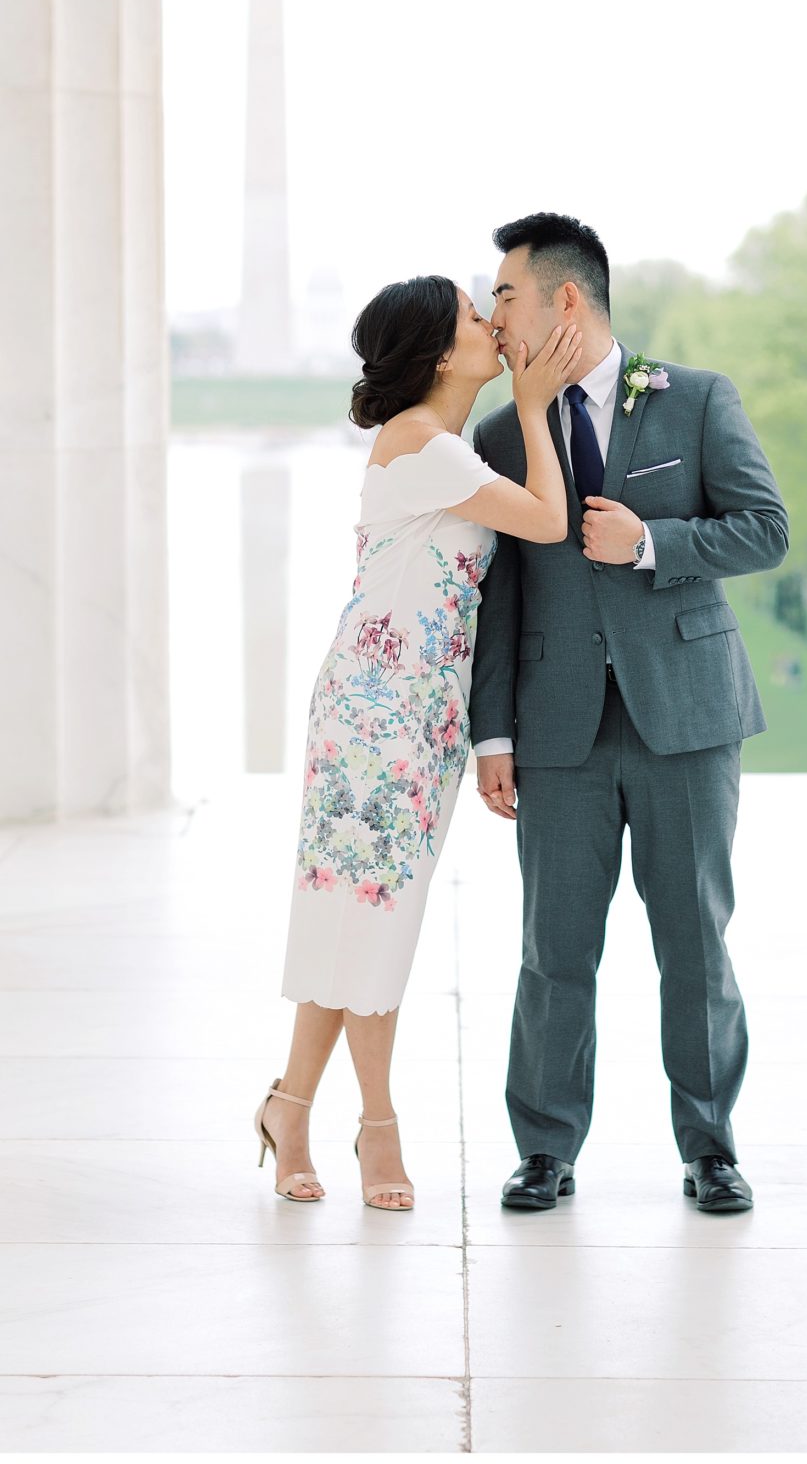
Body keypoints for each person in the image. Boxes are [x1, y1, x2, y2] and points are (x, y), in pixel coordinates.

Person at [469, 212, 789, 1213]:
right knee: (552, 949)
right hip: (555, 727)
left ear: (565, 298)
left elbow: (763, 528)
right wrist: (492, 733)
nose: (493, 315)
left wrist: (651, 541)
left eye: (505, 294)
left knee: (693, 942)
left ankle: (710, 1147)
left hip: (684, 718)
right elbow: (495, 595)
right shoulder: (497, 435)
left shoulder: (694, 399)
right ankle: (543, 1148)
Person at [256, 277, 584, 1209]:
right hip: (375, 715)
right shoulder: (422, 444)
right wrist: (533, 407)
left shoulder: (440, 447)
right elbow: (550, 521)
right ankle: (377, 1126)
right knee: (375, 919)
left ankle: (288, 1108)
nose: (494, 324)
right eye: (477, 318)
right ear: (442, 353)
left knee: (355, 918)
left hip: (418, 713)